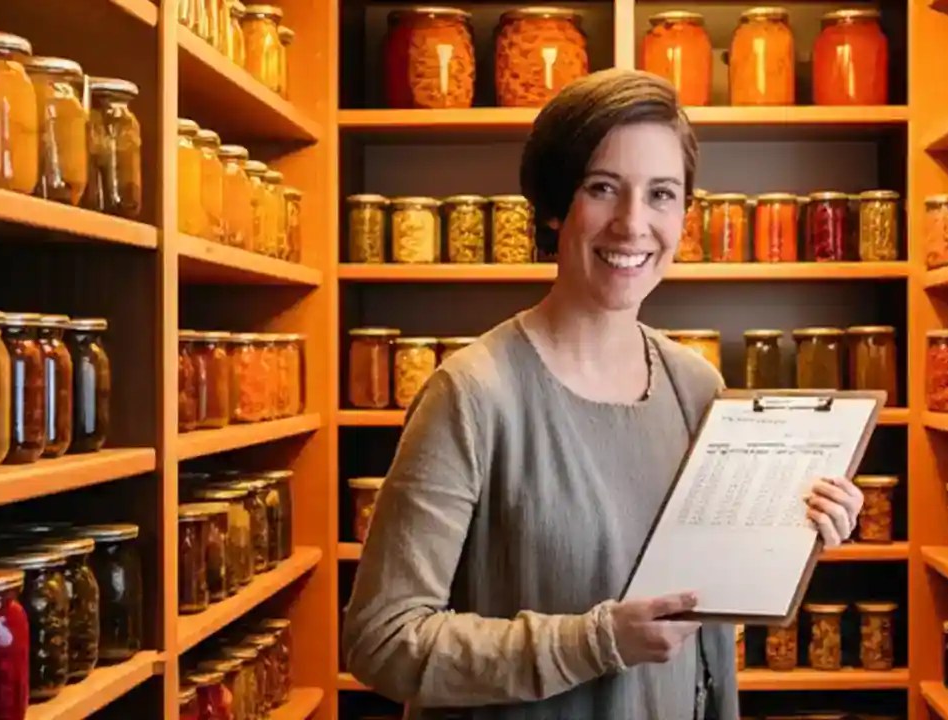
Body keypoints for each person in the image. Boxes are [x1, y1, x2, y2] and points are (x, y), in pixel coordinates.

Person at [341, 68, 865, 720]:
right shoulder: (472, 395)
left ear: (685, 215)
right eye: (602, 188)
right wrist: (594, 642)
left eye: (662, 194)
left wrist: (794, 531)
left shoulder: (698, 388)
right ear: (556, 207)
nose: (632, 223)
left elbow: (702, 619)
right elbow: (381, 640)